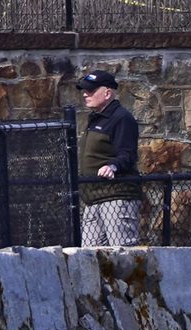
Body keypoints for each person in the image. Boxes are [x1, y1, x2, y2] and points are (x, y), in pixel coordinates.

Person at [76, 70, 143, 248]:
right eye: (84, 90)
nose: (85, 94)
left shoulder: (121, 118)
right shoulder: (95, 118)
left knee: (122, 254)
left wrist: (112, 166)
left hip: (116, 197)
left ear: (107, 93)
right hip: (93, 198)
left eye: (90, 91)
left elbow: (128, 154)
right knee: (89, 255)